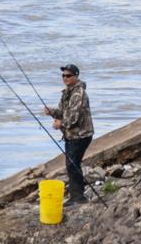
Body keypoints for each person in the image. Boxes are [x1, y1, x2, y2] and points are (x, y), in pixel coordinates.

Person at [43, 63, 94, 206]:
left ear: (76, 76)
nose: (65, 78)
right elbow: (62, 112)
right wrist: (52, 112)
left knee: (72, 165)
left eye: (68, 75)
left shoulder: (79, 94)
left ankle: (78, 197)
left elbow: (73, 118)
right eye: (63, 75)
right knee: (72, 164)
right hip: (72, 135)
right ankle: (76, 195)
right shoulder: (67, 92)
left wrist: (60, 124)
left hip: (81, 135)